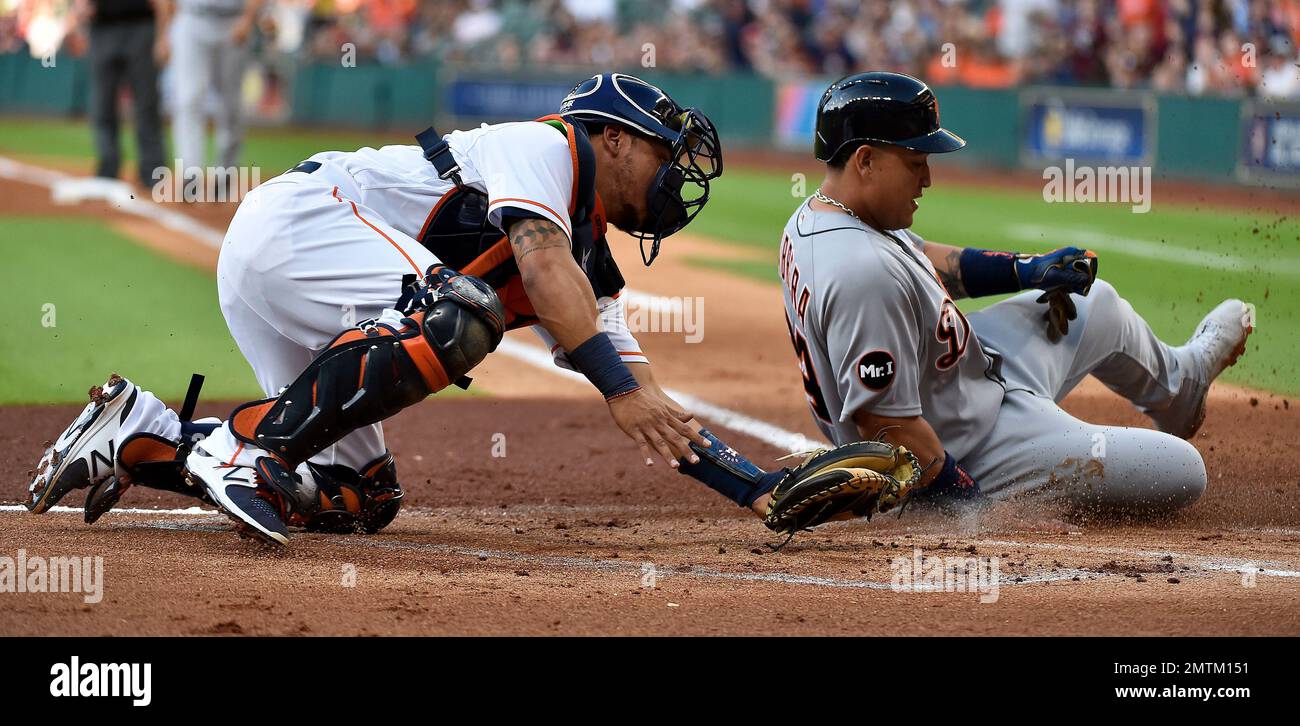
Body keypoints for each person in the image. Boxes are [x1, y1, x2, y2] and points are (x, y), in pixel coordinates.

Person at [29, 73, 861, 546]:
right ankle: (255, 452)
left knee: (361, 497)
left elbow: (646, 402)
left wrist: (757, 488)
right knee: (458, 318)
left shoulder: (589, 265)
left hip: (312, 284)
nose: (677, 174)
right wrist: (619, 387)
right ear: (612, 138)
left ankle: (142, 439)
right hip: (299, 225)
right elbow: (537, 263)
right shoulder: (547, 148)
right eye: (664, 152)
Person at [773, 71, 1252, 516]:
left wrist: (1029, 270)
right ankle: (963, 496)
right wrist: (968, 506)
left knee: (1092, 301)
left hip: (966, 372)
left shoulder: (829, 216)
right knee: (1182, 469)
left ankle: (1180, 389)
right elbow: (885, 425)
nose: (927, 178)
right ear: (867, 160)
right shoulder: (860, 272)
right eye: (916, 162)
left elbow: (930, 262)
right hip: (969, 446)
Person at [158, 0, 262, 187]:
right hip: (190, 18)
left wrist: (247, 18)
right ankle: (190, 173)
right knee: (188, 99)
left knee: (230, 103)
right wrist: (163, 32)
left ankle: (226, 170)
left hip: (232, 20)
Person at [73, 0, 168, 188]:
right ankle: (108, 166)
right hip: (102, 27)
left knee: (146, 104)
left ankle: (153, 170)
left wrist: (162, 36)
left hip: (141, 26)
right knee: (102, 103)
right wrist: (80, 11)